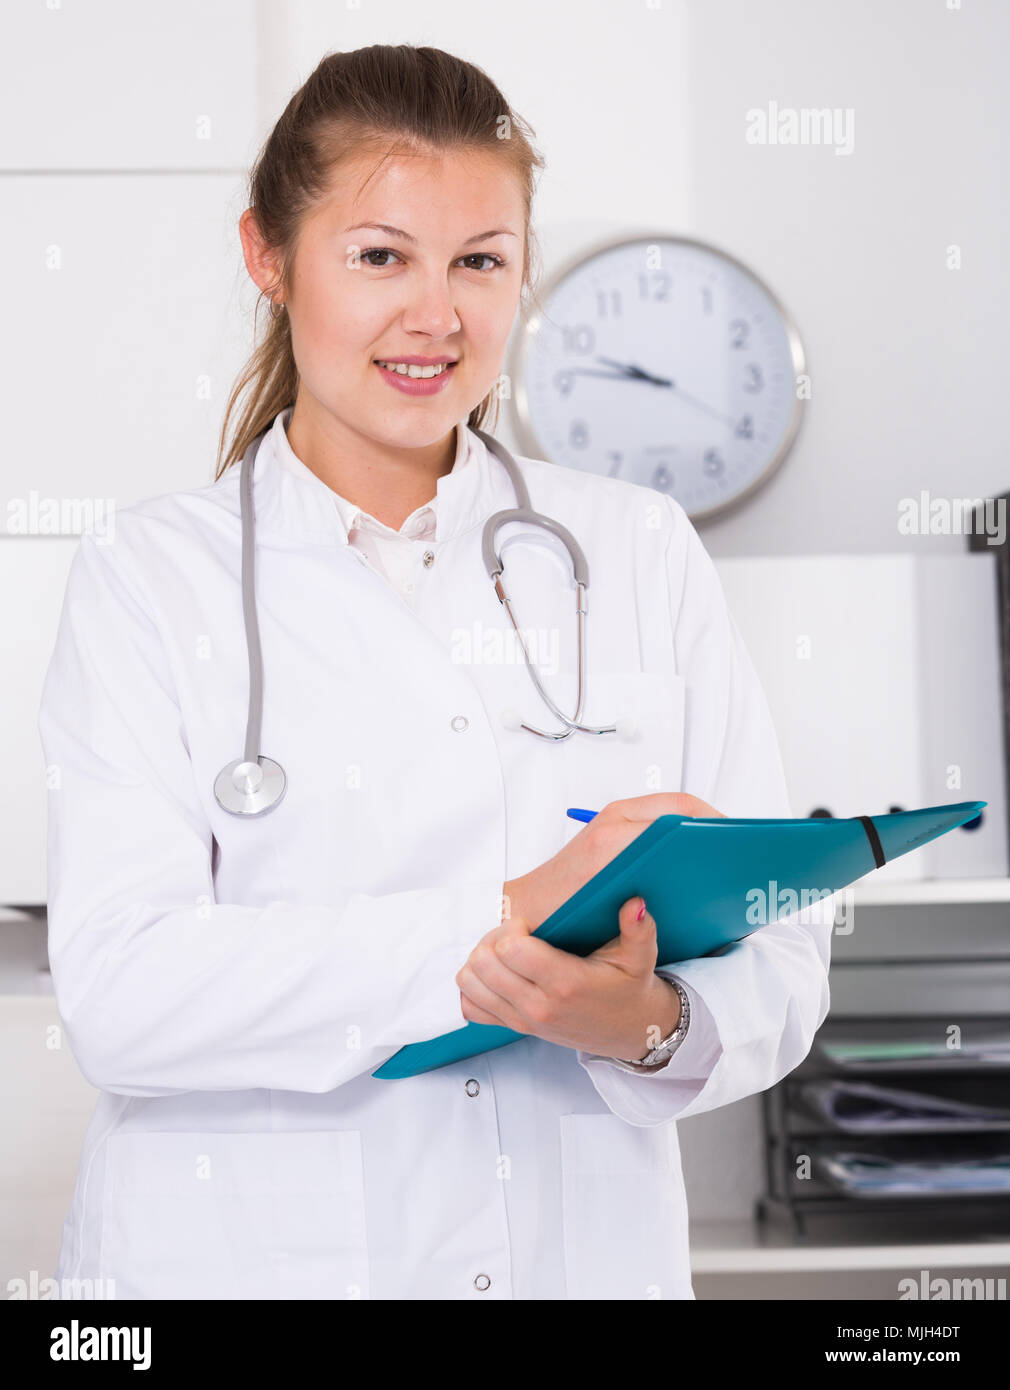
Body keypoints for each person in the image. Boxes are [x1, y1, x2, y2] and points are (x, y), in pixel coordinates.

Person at [38, 44, 832, 1301]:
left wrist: (638, 1024)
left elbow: (779, 965)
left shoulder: (633, 549)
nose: (436, 316)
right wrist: (507, 920)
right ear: (267, 255)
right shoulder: (150, 576)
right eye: (378, 257)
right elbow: (121, 994)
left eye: (480, 260)